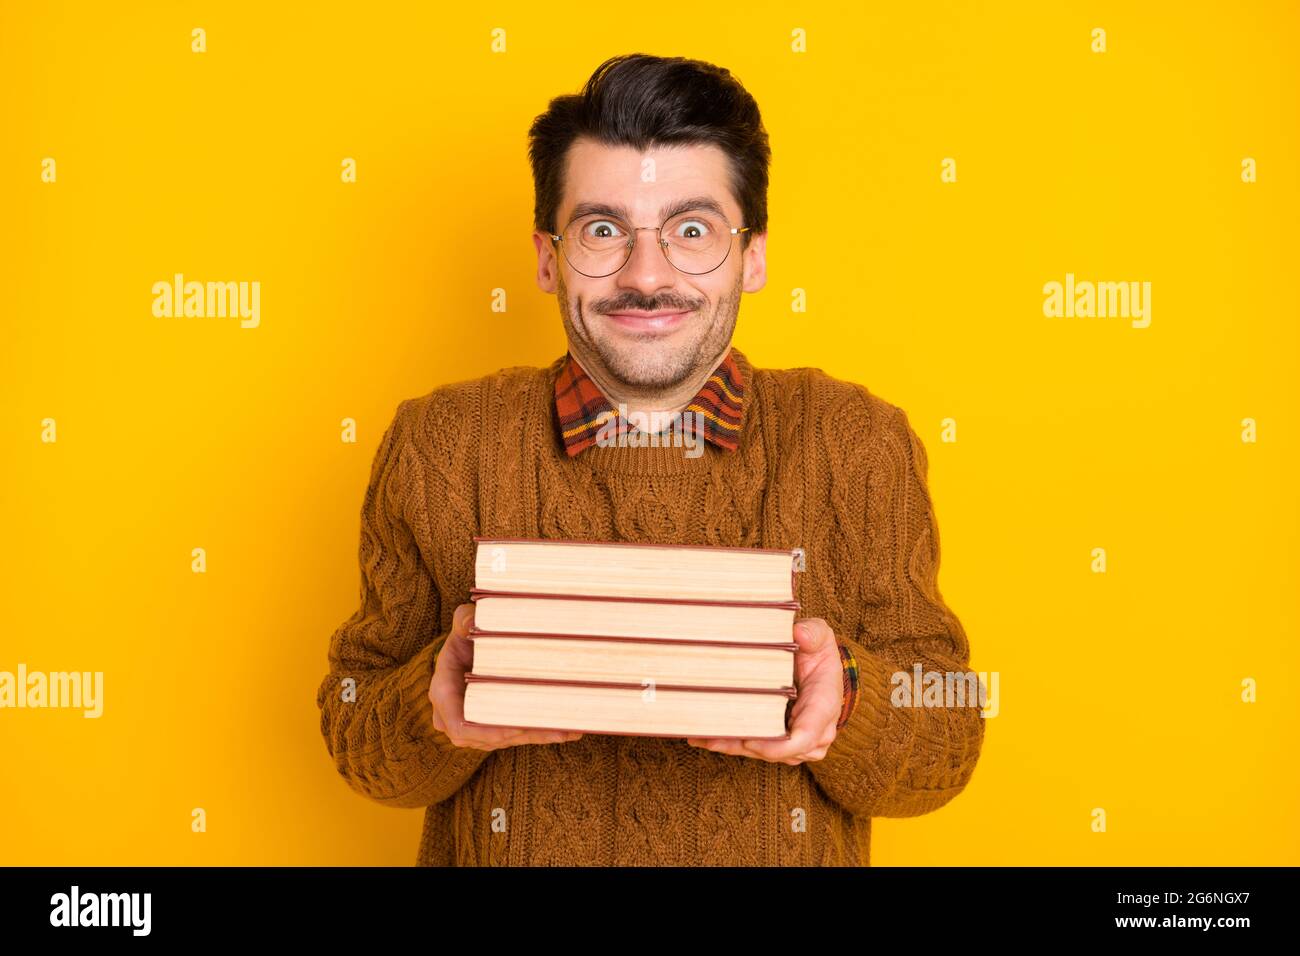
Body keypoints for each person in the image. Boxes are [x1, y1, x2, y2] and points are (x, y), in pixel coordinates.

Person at [316, 52, 984, 866]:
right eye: (603, 230)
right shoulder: (443, 443)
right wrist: (436, 701)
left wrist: (848, 695)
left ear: (755, 256)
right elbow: (354, 726)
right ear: (545, 256)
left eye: (692, 231)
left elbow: (947, 737)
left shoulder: (856, 442)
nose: (647, 275)